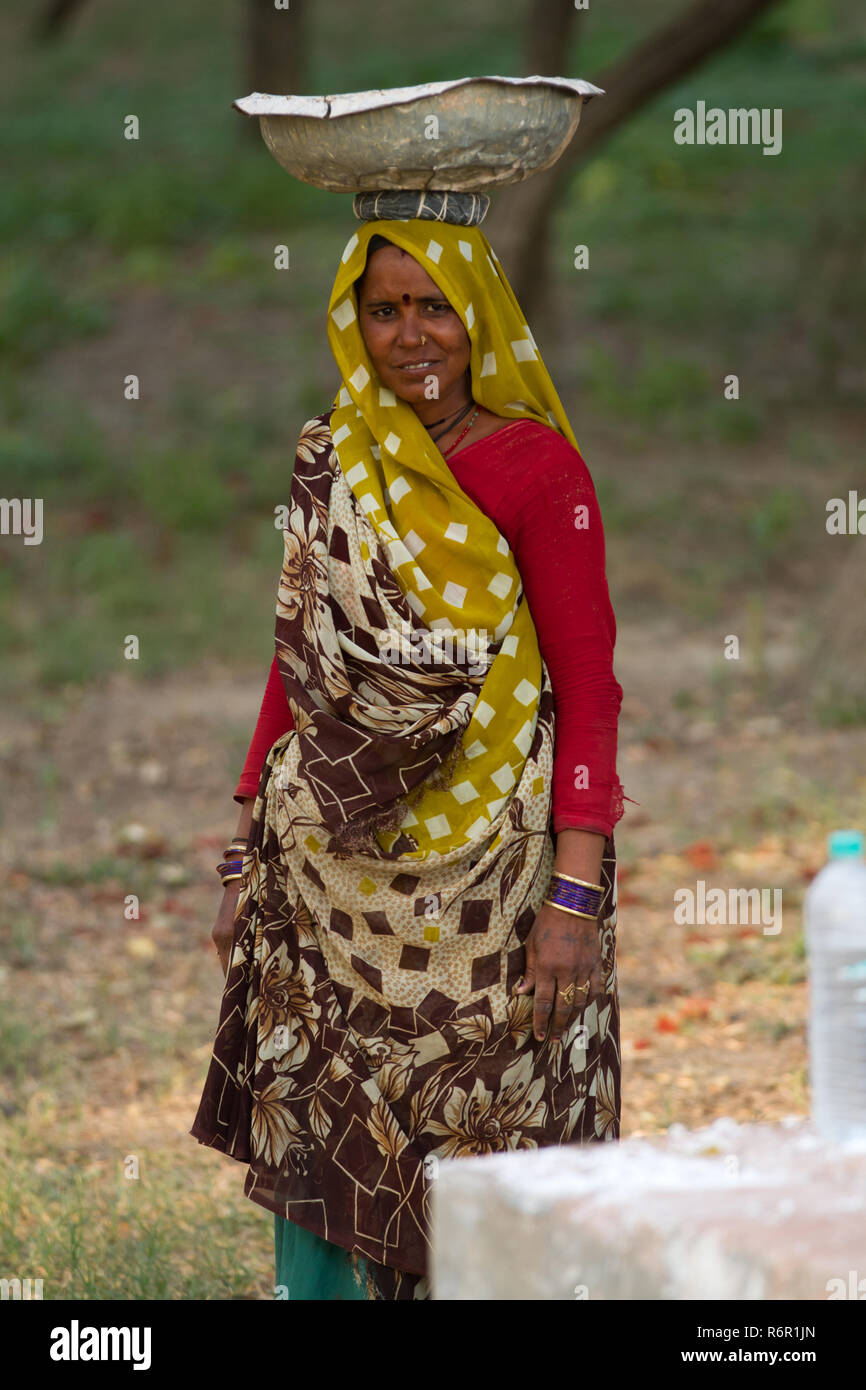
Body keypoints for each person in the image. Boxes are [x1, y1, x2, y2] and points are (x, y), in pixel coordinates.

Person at [191, 215, 629, 1301]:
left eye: (433, 306)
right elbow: (298, 660)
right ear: (353, 321)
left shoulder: (537, 469)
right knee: (336, 1127)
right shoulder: (337, 456)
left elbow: (589, 684)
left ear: (477, 318)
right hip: (333, 877)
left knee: (492, 1142)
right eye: (382, 309)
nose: (409, 335)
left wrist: (571, 893)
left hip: (494, 878)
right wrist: (246, 848)